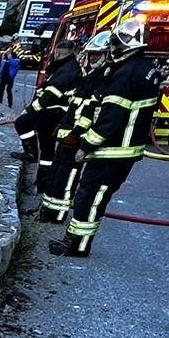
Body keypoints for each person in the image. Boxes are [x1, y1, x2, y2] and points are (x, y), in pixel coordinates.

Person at [50, 18, 163, 257]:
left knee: (89, 198)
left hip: (112, 151)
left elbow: (111, 117)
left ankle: (77, 246)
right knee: (93, 198)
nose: (111, 50)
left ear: (124, 45)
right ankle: (75, 240)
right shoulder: (146, 70)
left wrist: (87, 143)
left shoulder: (125, 74)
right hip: (124, 151)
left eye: (114, 44)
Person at [38, 32, 111, 223]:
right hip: (66, 132)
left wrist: (77, 134)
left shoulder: (103, 80)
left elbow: (91, 113)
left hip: (77, 137)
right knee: (56, 175)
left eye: (97, 54)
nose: (93, 57)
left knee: (67, 178)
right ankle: (47, 211)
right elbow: (75, 106)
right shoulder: (89, 76)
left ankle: (58, 214)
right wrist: (63, 127)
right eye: (91, 54)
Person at [13, 39, 81, 189]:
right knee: (47, 145)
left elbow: (51, 95)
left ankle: (31, 154)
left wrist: (30, 110)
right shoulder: (66, 67)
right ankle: (43, 181)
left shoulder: (66, 70)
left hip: (56, 110)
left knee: (22, 123)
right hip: (57, 111)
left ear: (57, 52)